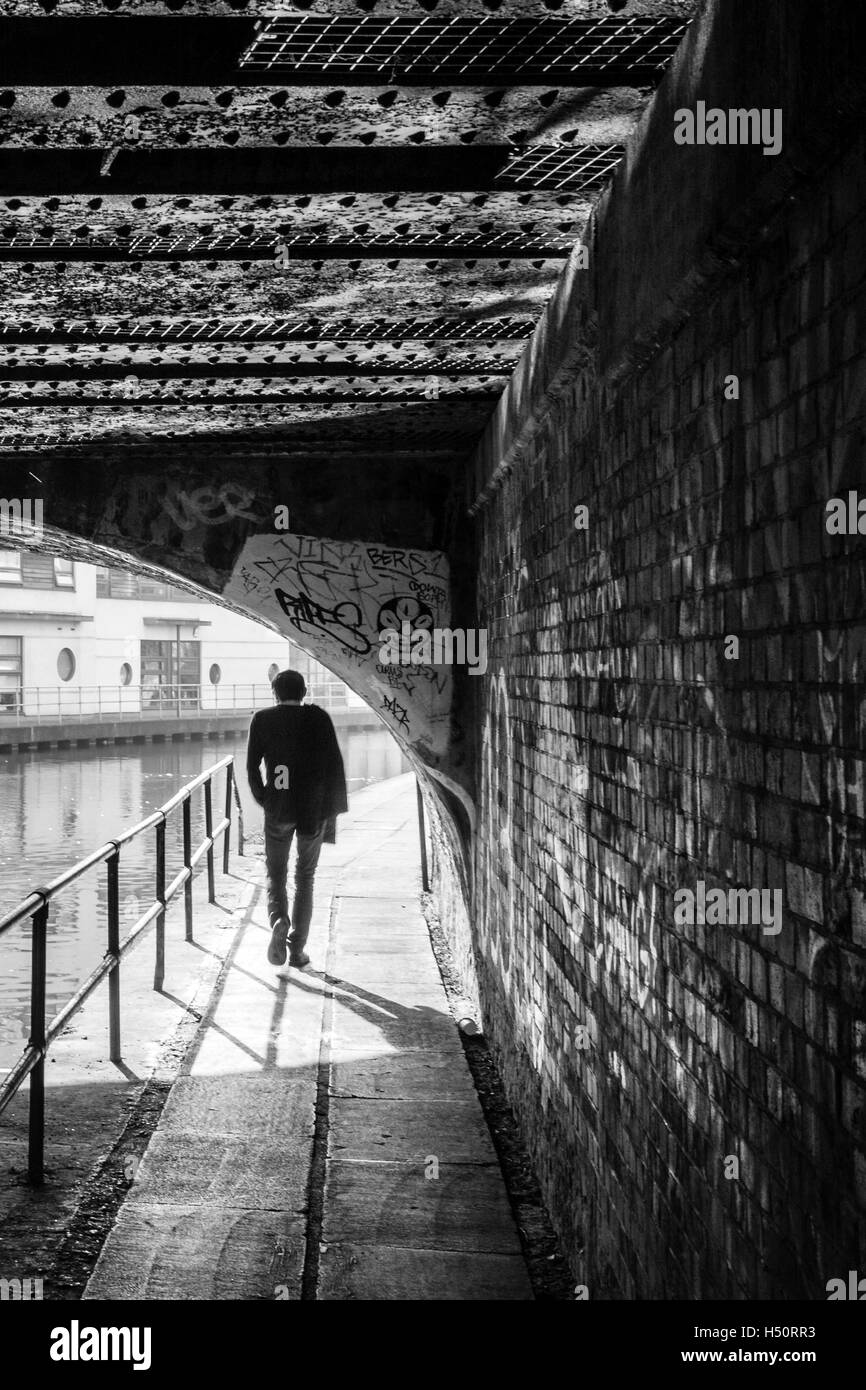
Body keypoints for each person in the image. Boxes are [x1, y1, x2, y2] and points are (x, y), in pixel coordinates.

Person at [246, 669, 348, 968]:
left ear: (274, 693)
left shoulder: (262, 719)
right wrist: (329, 811)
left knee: (275, 873)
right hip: (311, 811)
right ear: (304, 692)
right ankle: (297, 948)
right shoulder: (319, 719)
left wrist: (265, 799)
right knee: (305, 876)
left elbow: (252, 768)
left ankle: (278, 919)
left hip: (278, 807)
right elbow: (334, 767)